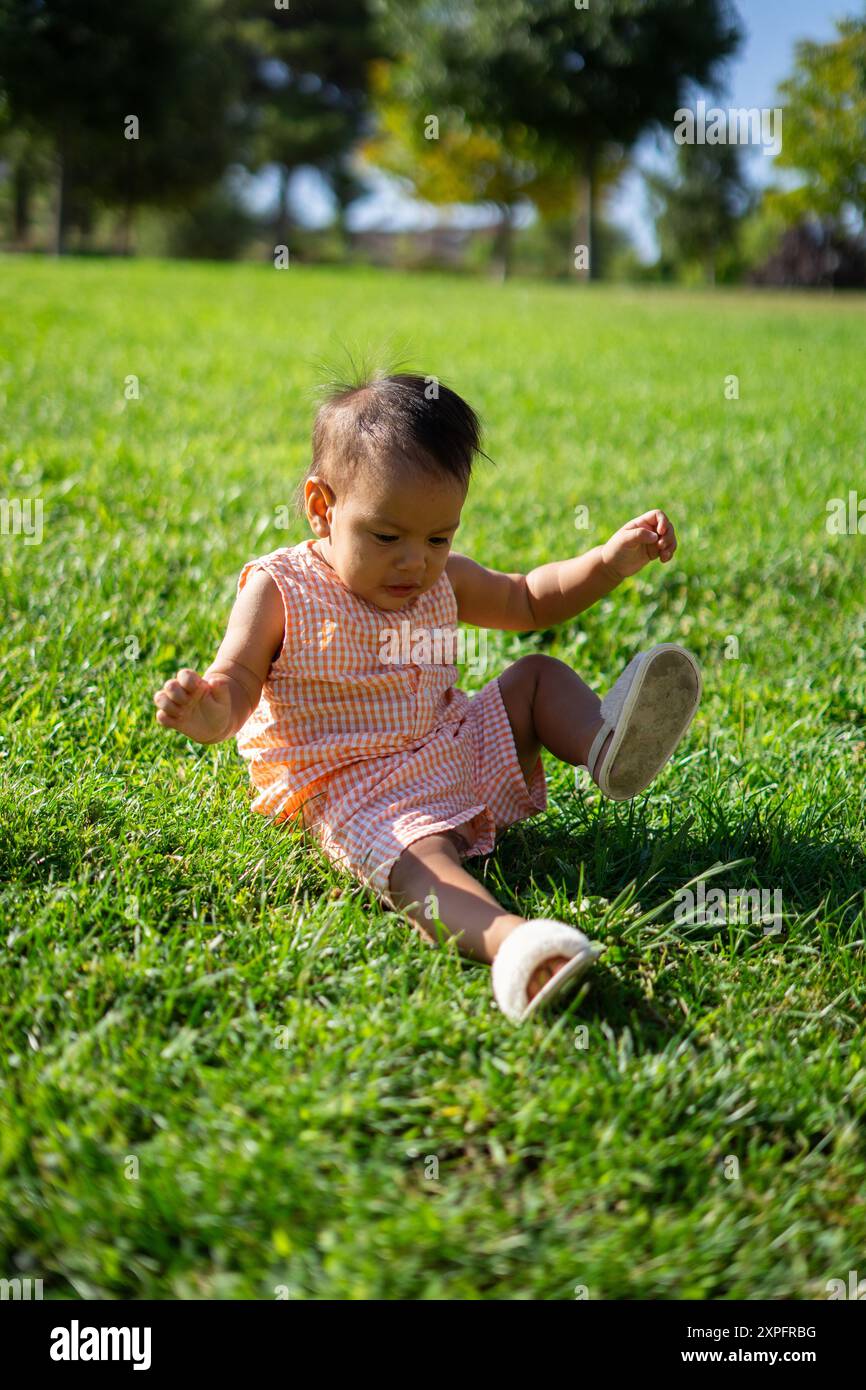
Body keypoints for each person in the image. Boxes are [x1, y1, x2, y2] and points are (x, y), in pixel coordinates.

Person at [153, 370, 701, 1024]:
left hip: (452, 742)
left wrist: (609, 563)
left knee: (535, 677)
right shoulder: (281, 589)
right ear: (322, 509)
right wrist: (210, 710)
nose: (416, 562)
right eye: (388, 538)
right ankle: (514, 943)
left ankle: (606, 744)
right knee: (423, 866)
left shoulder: (440, 580)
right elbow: (237, 682)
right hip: (358, 789)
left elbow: (528, 598)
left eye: (439, 538)